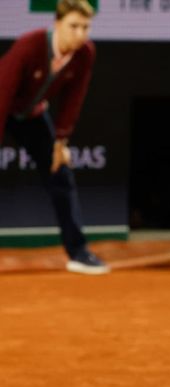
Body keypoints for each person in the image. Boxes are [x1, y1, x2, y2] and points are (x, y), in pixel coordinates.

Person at [0, 0, 107, 274]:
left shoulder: (85, 53)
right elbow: (3, 94)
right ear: (57, 24)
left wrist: (61, 141)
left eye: (85, 27)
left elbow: (74, 97)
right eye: (74, 26)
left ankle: (78, 252)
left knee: (60, 173)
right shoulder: (30, 44)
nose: (80, 34)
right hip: (3, 106)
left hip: (33, 116)